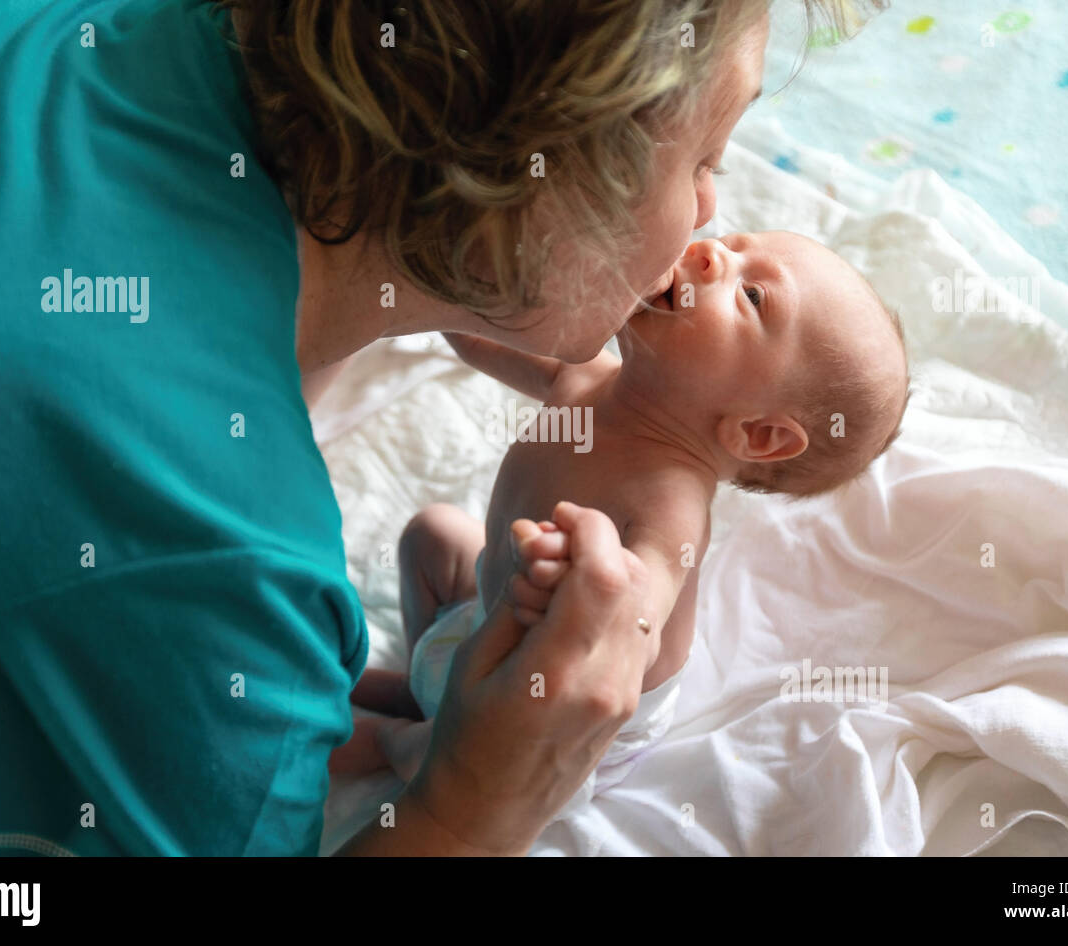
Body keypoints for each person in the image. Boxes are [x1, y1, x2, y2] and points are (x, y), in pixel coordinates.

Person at [0, 0, 882, 856]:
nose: (711, 218)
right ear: (538, 170)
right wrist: (464, 813)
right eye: (703, 158)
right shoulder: (210, 580)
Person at [330, 231, 911, 822]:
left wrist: (586, 577)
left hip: (551, 710)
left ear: (758, 435)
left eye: (753, 295)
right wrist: (439, 282)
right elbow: (475, 333)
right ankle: (423, 685)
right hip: (488, 616)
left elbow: (641, 611)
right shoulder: (589, 381)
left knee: (448, 754)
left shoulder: (672, 505)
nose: (711, 252)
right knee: (433, 534)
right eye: (736, 244)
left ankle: (395, 742)